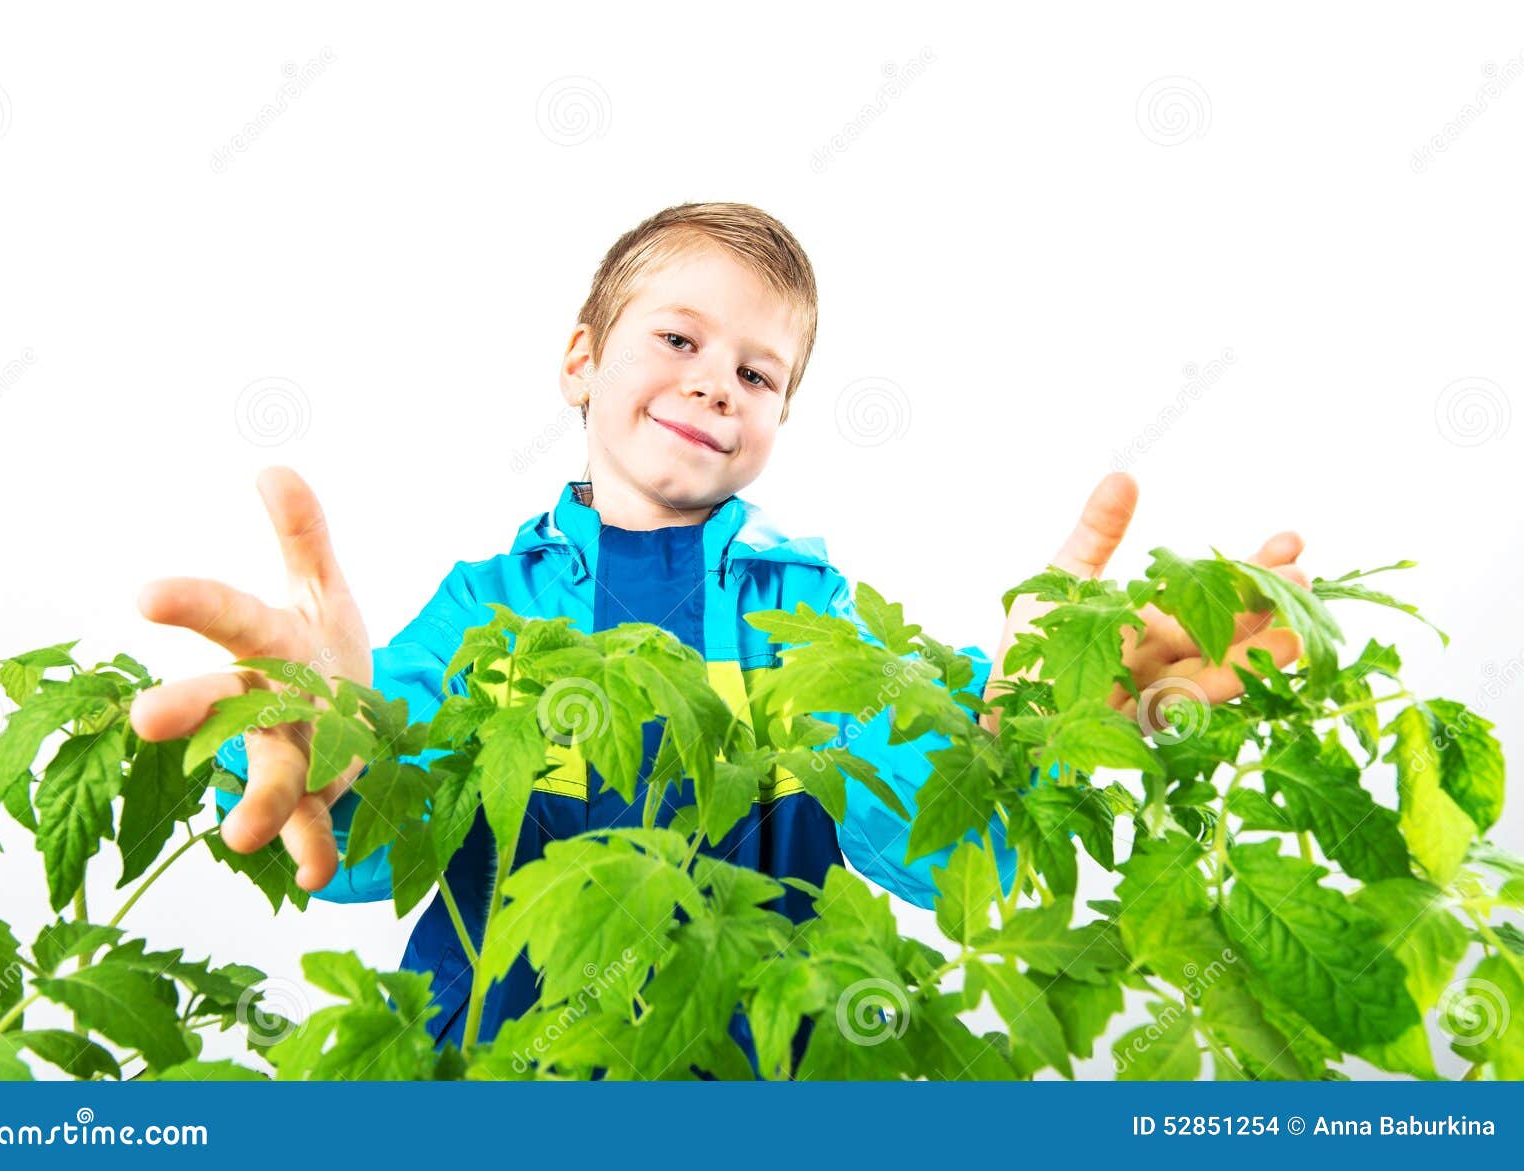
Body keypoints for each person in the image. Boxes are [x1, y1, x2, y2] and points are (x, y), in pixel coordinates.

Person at [129, 201, 1309, 1065]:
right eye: (679, 341)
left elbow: (941, 852)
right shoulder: (488, 607)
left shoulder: (809, 620)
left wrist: (1021, 735)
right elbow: (385, 843)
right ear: (581, 362)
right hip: (488, 1065)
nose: (716, 386)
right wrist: (329, 748)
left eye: (759, 373)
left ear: (781, 419)